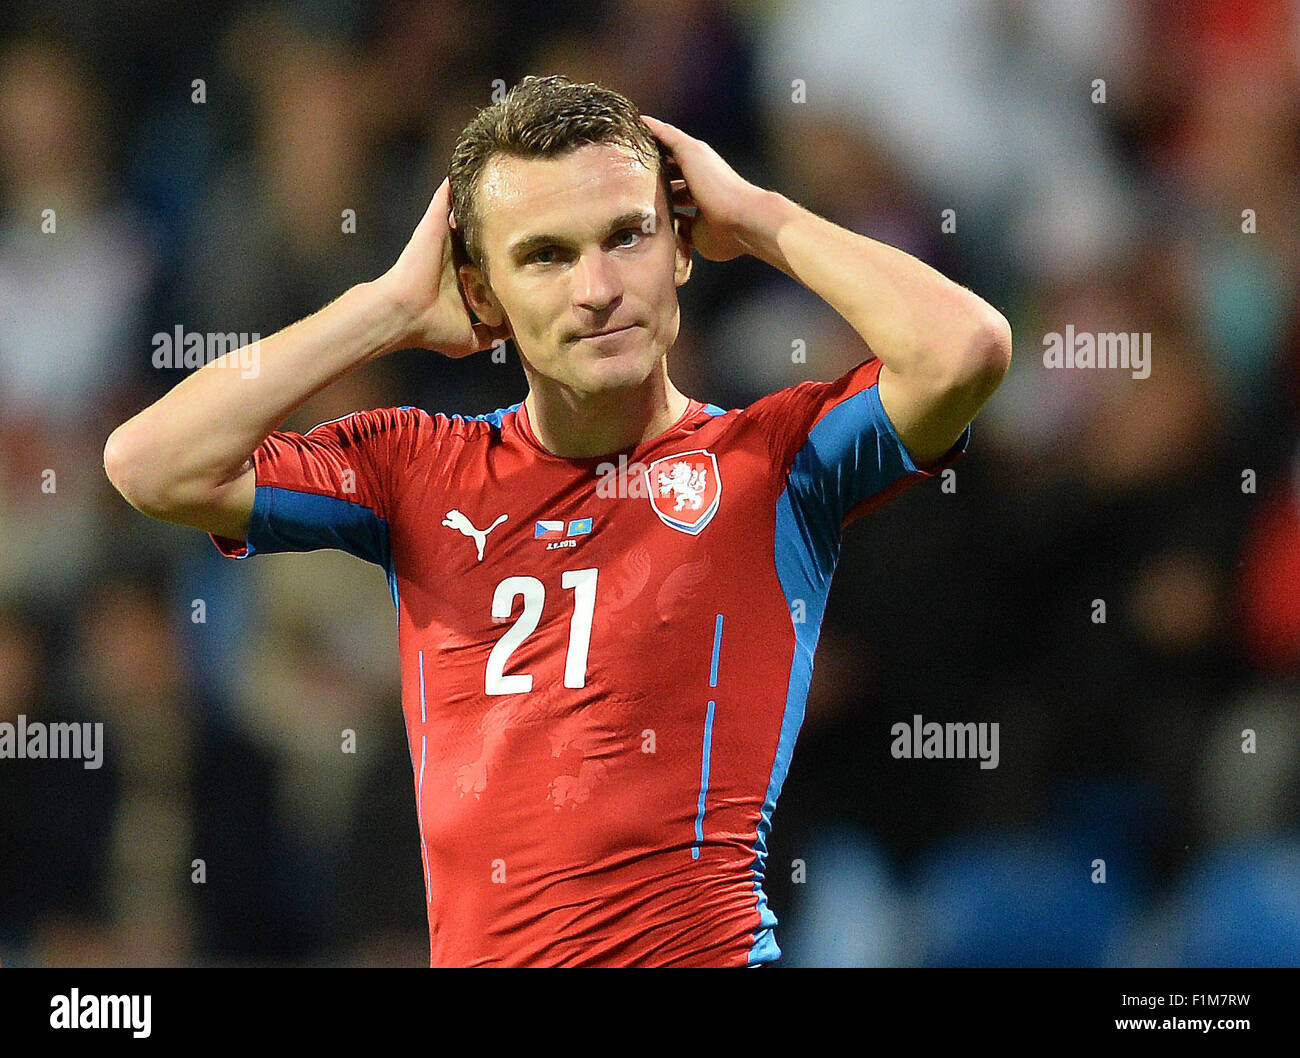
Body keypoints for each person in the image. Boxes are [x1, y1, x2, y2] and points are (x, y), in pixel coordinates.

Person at [104, 74, 1012, 967]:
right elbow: (152, 464)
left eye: (630, 236)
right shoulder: (416, 469)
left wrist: (763, 218)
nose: (598, 287)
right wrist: (383, 309)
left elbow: (963, 349)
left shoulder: (774, 462)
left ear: (684, 250)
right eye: (546, 255)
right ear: (483, 293)